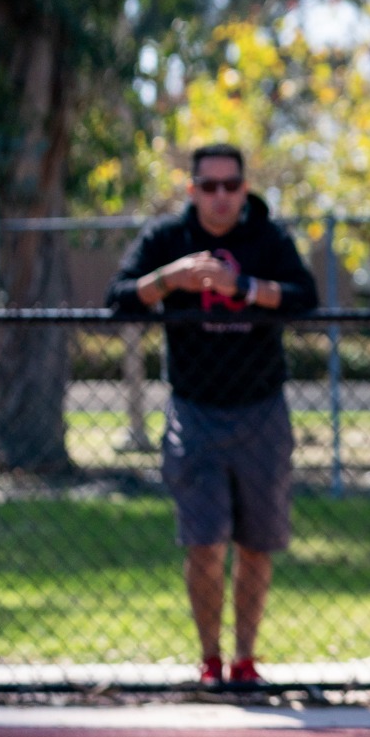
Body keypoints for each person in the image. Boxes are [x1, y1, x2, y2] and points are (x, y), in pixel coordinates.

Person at [106, 143, 318, 687]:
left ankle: (245, 660)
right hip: (193, 412)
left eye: (230, 186)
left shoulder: (267, 239)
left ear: (244, 189)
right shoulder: (167, 240)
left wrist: (242, 287)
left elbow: (305, 298)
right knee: (204, 543)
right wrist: (169, 280)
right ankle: (210, 660)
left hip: (261, 410)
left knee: (255, 545)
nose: (220, 196)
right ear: (192, 189)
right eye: (209, 186)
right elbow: (119, 298)